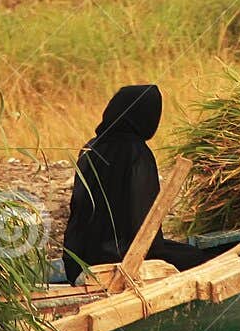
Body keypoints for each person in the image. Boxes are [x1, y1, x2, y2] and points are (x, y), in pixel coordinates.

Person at [61, 84, 218, 283]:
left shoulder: (90, 148)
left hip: (79, 259)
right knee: (198, 258)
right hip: (120, 259)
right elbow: (143, 222)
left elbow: (78, 210)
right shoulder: (138, 154)